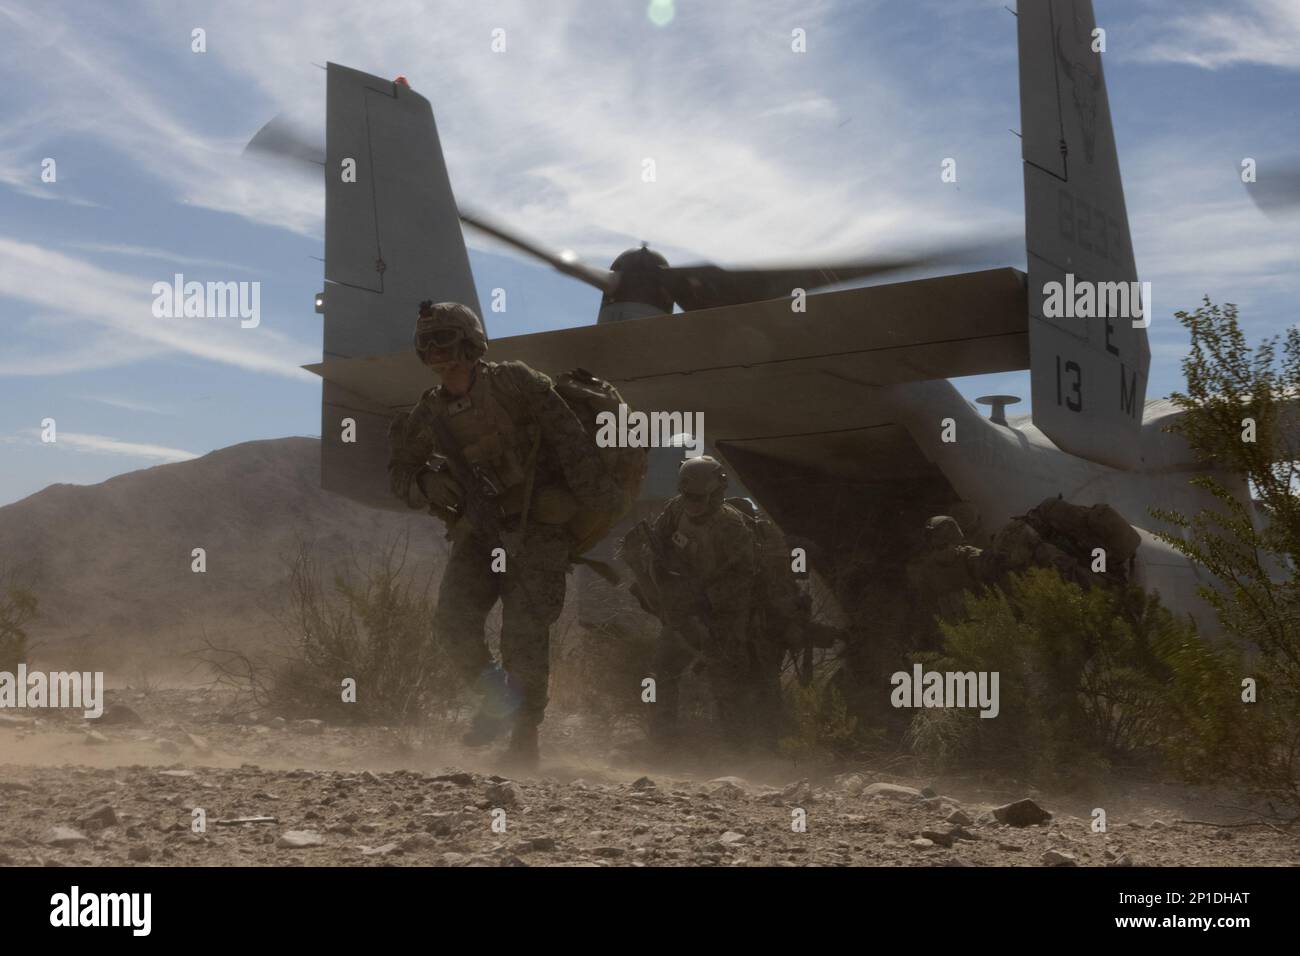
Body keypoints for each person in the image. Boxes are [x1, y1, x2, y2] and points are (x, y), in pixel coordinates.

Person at [387, 300, 622, 766]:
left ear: (470, 343)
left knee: (524, 635)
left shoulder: (516, 383)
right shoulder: (430, 412)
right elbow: (399, 474)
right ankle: (496, 702)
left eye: (444, 339)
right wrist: (426, 483)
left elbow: (571, 441)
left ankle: (524, 737)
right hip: (479, 531)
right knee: (453, 624)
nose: (434, 349)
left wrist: (592, 511)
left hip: (538, 530)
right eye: (425, 341)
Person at [631, 456, 775, 751]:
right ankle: (663, 743)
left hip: (722, 615)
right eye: (688, 496)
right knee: (661, 672)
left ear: (717, 494)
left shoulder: (732, 527)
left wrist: (705, 601)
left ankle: (741, 751)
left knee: (726, 682)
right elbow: (658, 544)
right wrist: (659, 575)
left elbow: (743, 577)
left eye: (699, 497)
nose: (693, 503)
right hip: (682, 609)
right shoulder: (675, 509)